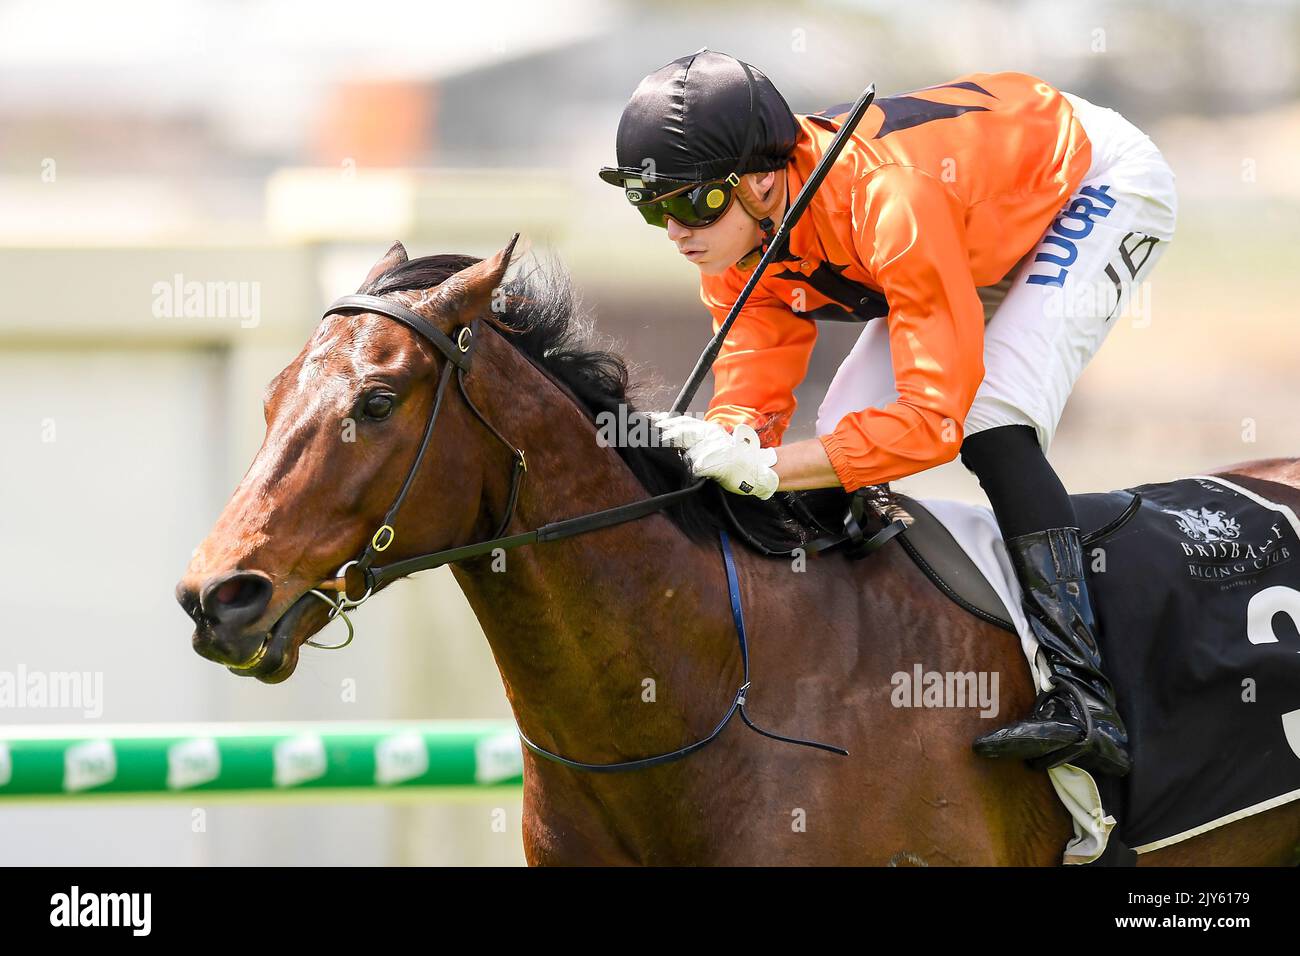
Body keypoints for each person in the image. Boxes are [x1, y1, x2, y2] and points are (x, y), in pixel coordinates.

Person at [599, 49, 1180, 778]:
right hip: (968, 219)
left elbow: (933, 421)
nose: (677, 229)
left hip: (1088, 181)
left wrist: (772, 468)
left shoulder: (886, 201)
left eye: (692, 203)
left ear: (760, 180)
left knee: (988, 417)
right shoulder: (738, 239)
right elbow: (756, 383)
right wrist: (732, 440)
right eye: (652, 206)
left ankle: (1084, 695)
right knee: (845, 421)